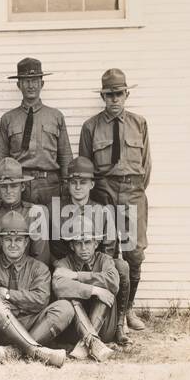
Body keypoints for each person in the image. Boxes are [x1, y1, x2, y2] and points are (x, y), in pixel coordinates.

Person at [78, 67, 151, 333]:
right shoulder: (91, 127)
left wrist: (134, 191)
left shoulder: (139, 124)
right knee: (106, 254)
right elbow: (85, 168)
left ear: (126, 94)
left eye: (119, 94)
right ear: (103, 96)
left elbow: (146, 166)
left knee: (133, 254)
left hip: (132, 194)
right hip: (104, 195)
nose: (114, 100)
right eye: (109, 95)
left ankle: (128, 310)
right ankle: (108, 317)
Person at [0, 210, 71, 367]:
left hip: (32, 324)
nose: (13, 245)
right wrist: (24, 302)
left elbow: (41, 300)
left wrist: (8, 295)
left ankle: (16, 351)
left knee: (65, 307)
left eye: (18, 240)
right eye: (8, 240)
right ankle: (35, 350)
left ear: (26, 242)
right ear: (0, 241)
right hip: (2, 328)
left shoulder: (39, 268)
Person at [58, 156, 130, 345]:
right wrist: (65, 269)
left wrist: (84, 273)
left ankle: (120, 325)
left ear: (92, 184)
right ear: (68, 185)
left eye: (83, 182)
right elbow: (55, 248)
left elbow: (108, 250)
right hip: (69, 263)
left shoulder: (103, 211)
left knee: (121, 267)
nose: (78, 187)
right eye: (73, 182)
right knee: (58, 274)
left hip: (95, 265)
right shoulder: (57, 211)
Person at [0, 57, 73, 209]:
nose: (31, 85)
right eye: (26, 81)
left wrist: (66, 187)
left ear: (42, 84)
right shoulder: (8, 119)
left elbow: (65, 155)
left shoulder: (56, 116)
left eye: (35, 80)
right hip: (20, 185)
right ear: (19, 85)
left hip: (50, 185)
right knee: (20, 227)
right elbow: (2, 158)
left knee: (51, 228)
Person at [51, 218, 121, 362]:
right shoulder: (64, 262)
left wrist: (77, 275)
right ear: (71, 246)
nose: (83, 248)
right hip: (74, 330)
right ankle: (93, 342)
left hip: (104, 327)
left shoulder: (105, 260)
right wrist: (95, 290)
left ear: (96, 244)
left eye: (88, 242)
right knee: (70, 296)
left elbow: (113, 282)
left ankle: (85, 344)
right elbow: (58, 286)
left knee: (106, 293)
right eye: (78, 243)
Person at [0, 157, 51, 265]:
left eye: (13, 186)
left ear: (22, 187)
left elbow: (41, 259)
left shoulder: (35, 214)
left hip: (25, 275)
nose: (8, 191)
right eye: (3, 186)